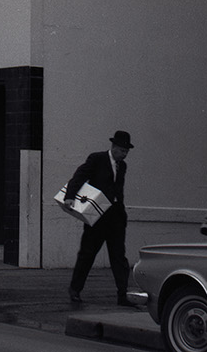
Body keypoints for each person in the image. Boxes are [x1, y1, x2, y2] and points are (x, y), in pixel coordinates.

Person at [64, 130, 134, 308]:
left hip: (116, 217)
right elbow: (80, 175)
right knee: (87, 253)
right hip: (97, 216)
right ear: (114, 147)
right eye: (123, 150)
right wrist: (69, 196)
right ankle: (75, 290)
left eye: (127, 151)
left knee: (118, 256)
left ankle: (122, 294)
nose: (125, 154)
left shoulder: (122, 166)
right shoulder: (97, 159)